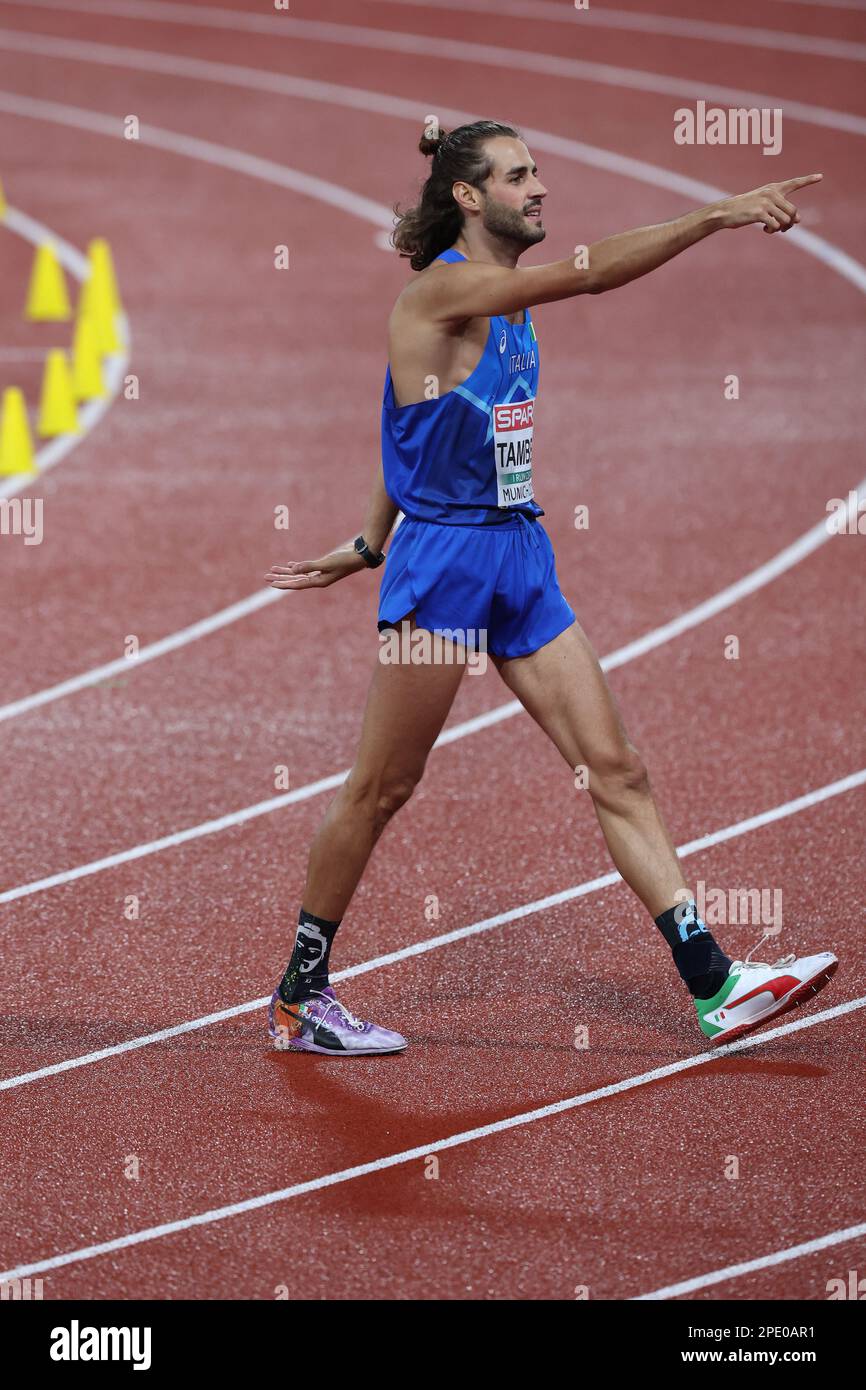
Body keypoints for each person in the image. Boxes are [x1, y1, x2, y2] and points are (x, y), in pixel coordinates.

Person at [265, 120, 836, 1056]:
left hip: (519, 555)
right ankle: (300, 996)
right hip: (444, 565)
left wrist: (367, 537)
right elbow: (591, 272)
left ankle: (716, 984)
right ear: (467, 195)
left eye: (539, 172)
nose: (541, 187)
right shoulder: (445, 290)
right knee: (383, 786)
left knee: (617, 768)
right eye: (518, 176)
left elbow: (409, 411)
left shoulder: (506, 302)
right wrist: (717, 215)